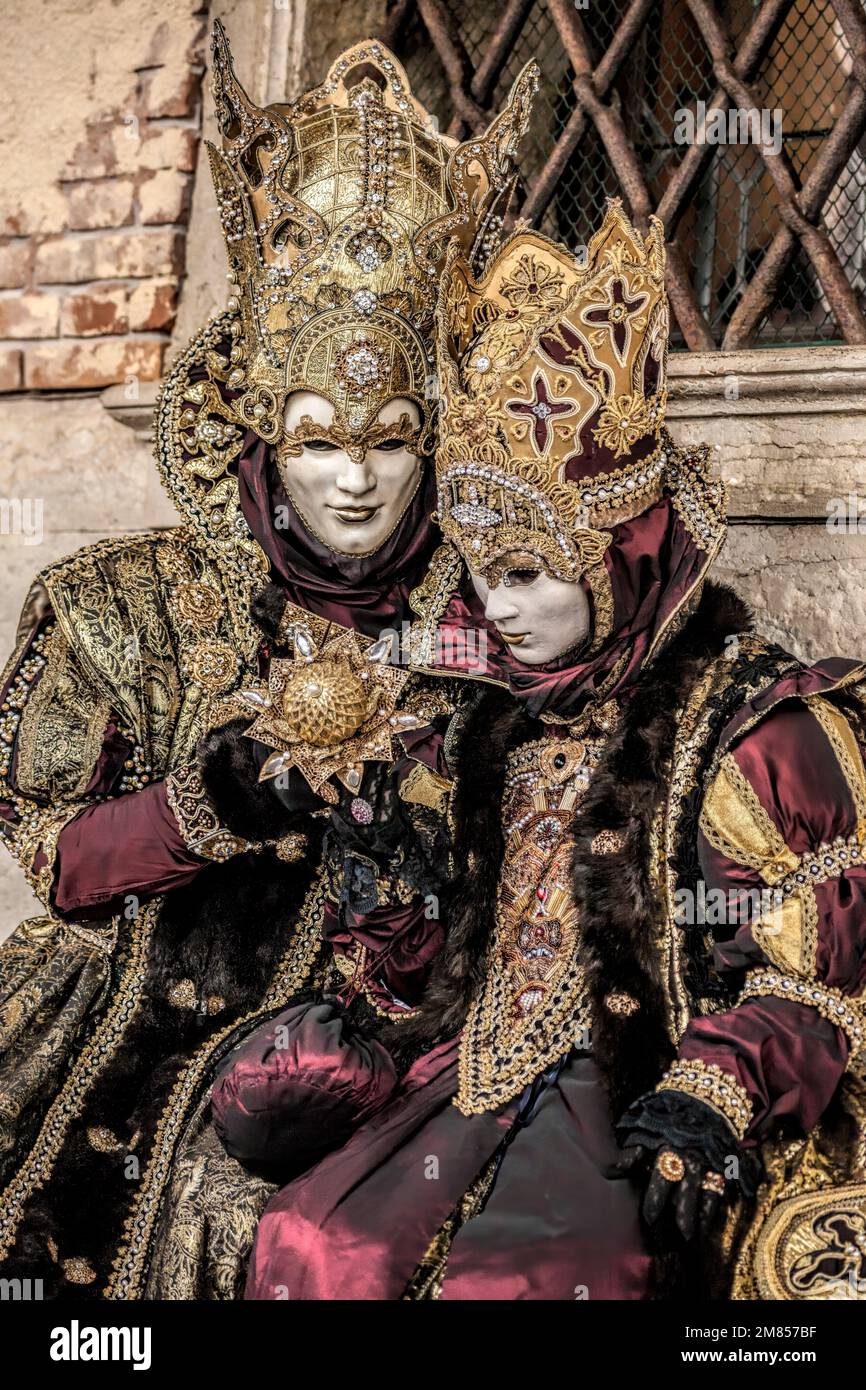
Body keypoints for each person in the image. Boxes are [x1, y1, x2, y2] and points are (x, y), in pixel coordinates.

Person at [224, 200, 866, 1301]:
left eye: (524, 573)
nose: (494, 609)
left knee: (526, 1279)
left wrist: (708, 1089)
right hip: (469, 1067)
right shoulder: (482, 716)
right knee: (309, 1245)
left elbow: (824, 970)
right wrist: (381, 853)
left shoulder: (749, 726)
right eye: (480, 572)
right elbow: (423, 967)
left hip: (643, 1073)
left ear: (619, 558)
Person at [0, 22, 536, 1298]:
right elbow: (55, 857)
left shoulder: (506, 623)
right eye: (315, 435)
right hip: (111, 1011)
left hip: (387, 1052)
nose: (353, 477)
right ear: (252, 429)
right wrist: (218, 801)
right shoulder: (122, 606)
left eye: (393, 436)